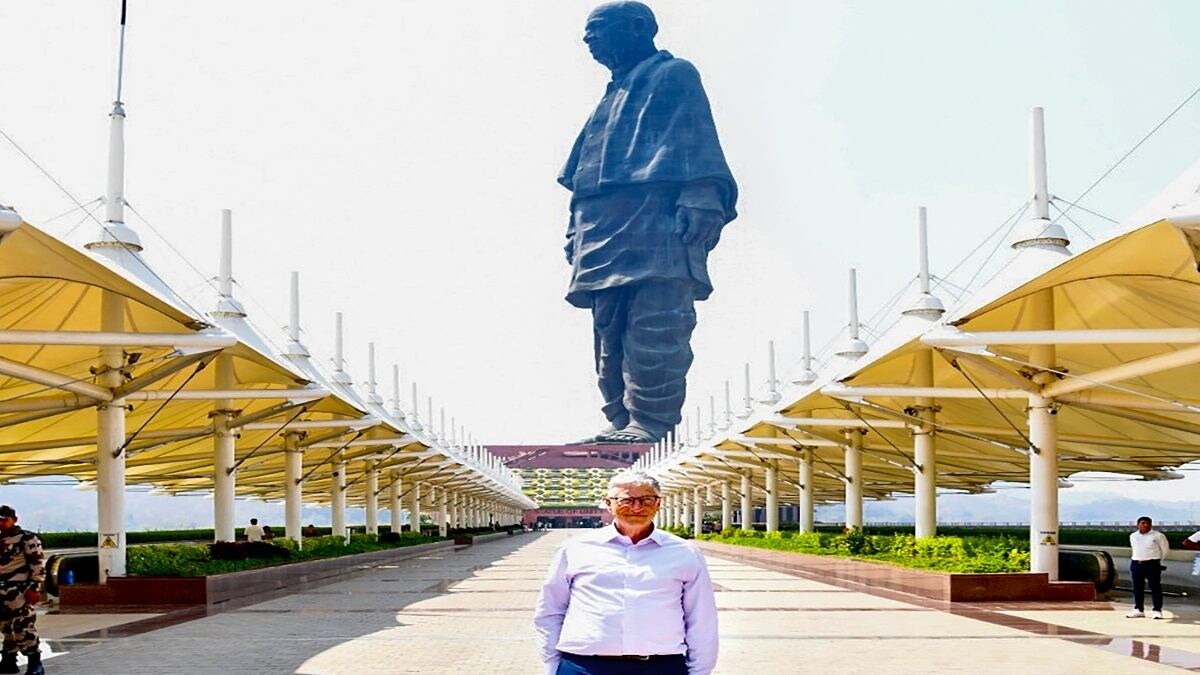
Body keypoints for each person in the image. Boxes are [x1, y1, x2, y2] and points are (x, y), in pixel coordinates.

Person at [561, 2, 738, 444]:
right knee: (608, 332)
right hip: (602, 228)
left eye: (598, 29)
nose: (588, 39)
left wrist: (701, 194)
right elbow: (583, 173)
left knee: (656, 322)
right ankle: (621, 421)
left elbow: (695, 137)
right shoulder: (612, 93)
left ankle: (650, 422)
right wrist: (574, 231)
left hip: (655, 222)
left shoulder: (673, 74)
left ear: (638, 28)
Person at [534, 471, 718, 674]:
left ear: (658, 504)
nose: (637, 507)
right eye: (626, 500)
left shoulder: (685, 552)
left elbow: (701, 618)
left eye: (646, 499)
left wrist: (700, 671)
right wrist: (552, 665)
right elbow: (550, 611)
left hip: (661, 666)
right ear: (608, 504)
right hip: (584, 666)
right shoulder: (575, 548)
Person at [0, 505, 45, 675]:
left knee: (23, 626)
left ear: (14, 519)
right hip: (1, 590)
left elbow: (37, 564)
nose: (2, 523)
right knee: (6, 626)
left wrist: (35, 587)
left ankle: (35, 662)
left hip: (19, 590)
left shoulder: (26, 538)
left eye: (5, 520)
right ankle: (8, 660)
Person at [1128, 516, 1169, 619]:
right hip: (1136, 563)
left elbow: (1165, 550)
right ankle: (1138, 609)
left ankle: (1157, 610)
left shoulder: (1158, 536)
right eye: (1143, 523)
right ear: (1138, 525)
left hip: (1152, 564)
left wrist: (1157, 561)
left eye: (1148, 523)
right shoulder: (1133, 536)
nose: (1145, 525)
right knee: (1137, 588)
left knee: (1155, 587)